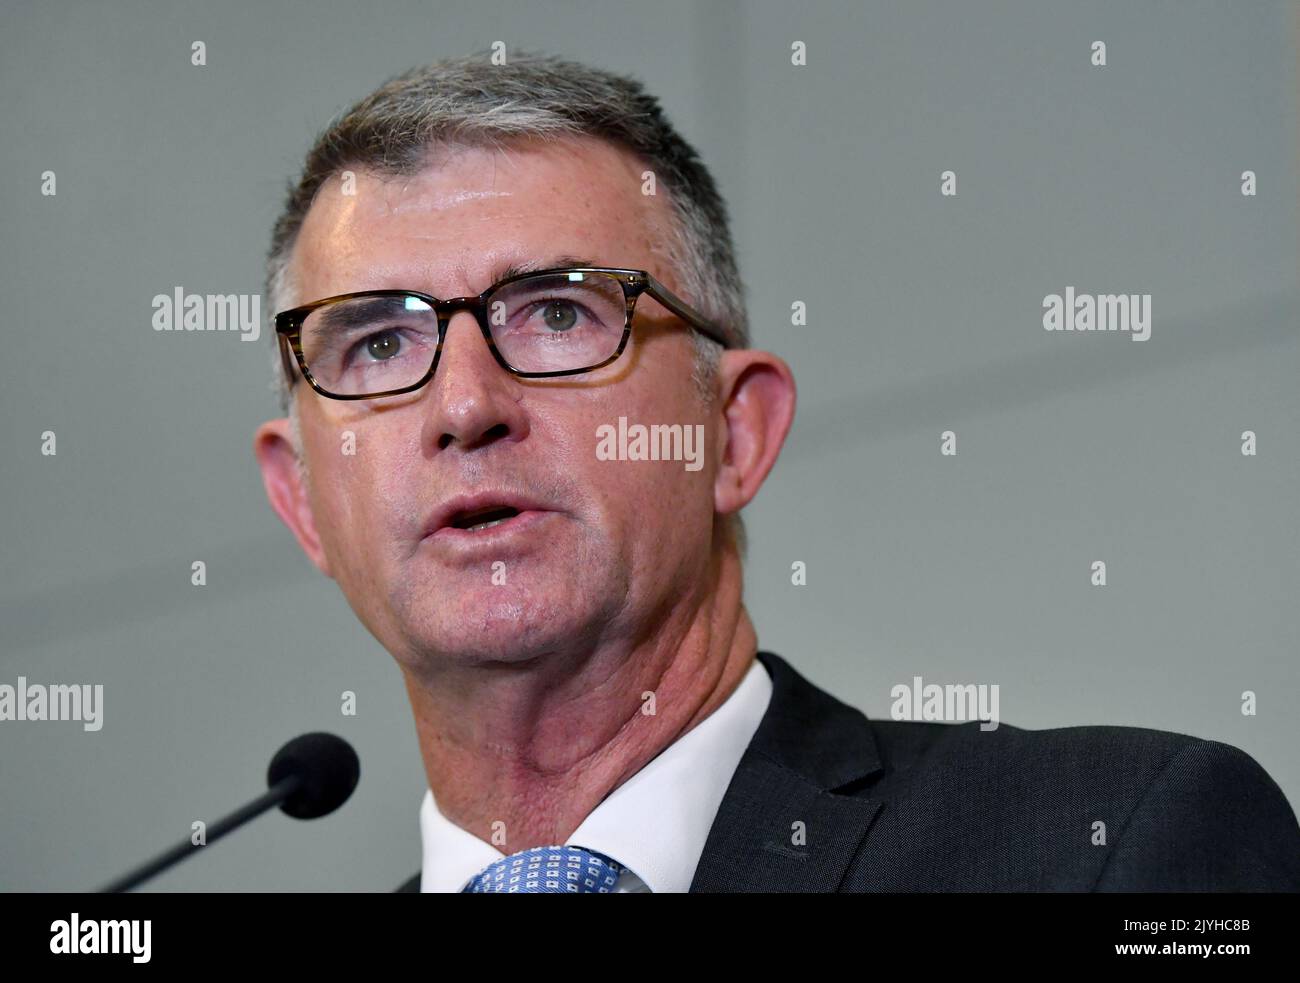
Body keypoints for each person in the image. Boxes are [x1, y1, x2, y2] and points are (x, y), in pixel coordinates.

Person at [253, 51, 1300, 892]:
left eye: (560, 313)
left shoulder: (1110, 841)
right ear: (301, 500)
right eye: (377, 344)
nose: (466, 405)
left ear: (736, 431)